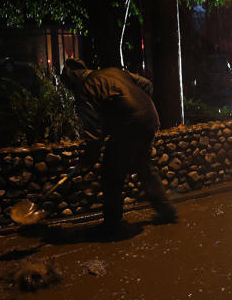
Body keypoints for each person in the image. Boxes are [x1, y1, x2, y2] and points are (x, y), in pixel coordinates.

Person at [60, 58, 177, 232]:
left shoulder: (84, 88)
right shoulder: (113, 71)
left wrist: (87, 160)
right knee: (142, 164)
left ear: (71, 81)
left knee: (111, 171)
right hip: (150, 117)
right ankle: (166, 210)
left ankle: (113, 223)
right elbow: (147, 85)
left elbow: (93, 134)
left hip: (128, 124)